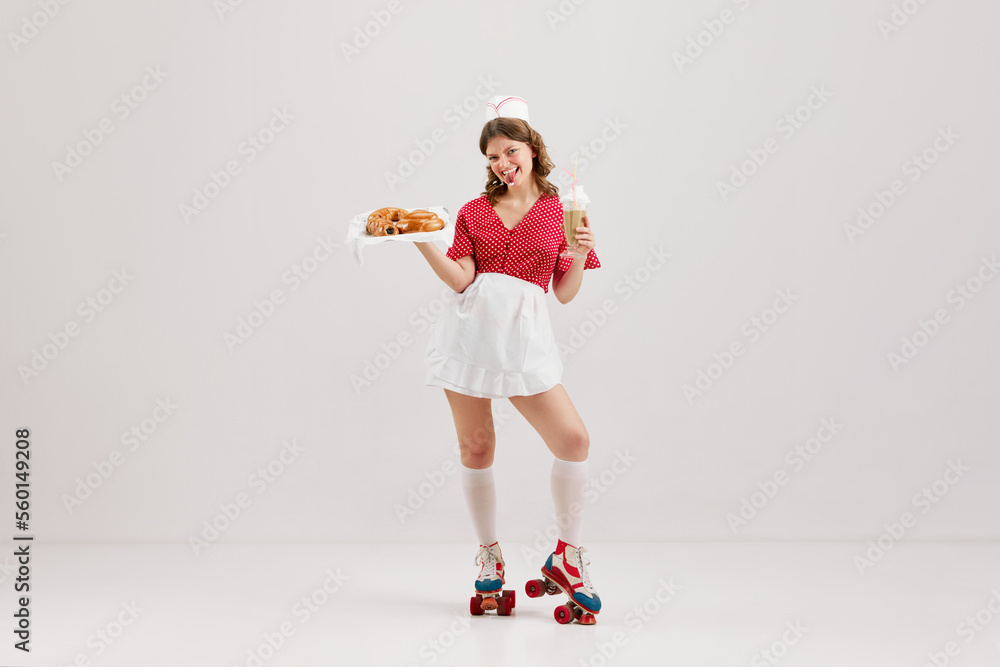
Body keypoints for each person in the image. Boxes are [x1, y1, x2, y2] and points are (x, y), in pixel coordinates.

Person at [414, 96, 602, 620]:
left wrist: (581, 252)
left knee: (573, 440)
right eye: (493, 156)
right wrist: (423, 239)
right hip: (469, 334)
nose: (502, 163)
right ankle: (490, 557)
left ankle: (568, 554)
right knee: (477, 448)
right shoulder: (475, 211)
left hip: (524, 339)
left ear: (531, 149)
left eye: (510, 151)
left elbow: (562, 292)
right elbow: (461, 278)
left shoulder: (560, 209)